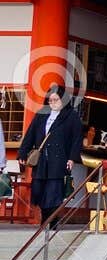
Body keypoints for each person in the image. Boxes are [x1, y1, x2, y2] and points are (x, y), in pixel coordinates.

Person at [17, 84, 84, 228]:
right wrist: (23, 152)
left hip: (59, 160)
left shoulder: (71, 117)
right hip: (41, 160)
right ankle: (48, 217)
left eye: (56, 100)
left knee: (53, 191)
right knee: (39, 190)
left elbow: (77, 139)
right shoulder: (41, 114)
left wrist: (72, 158)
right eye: (50, 100)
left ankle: (51, 220)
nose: (53, 103)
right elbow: (30, 134)